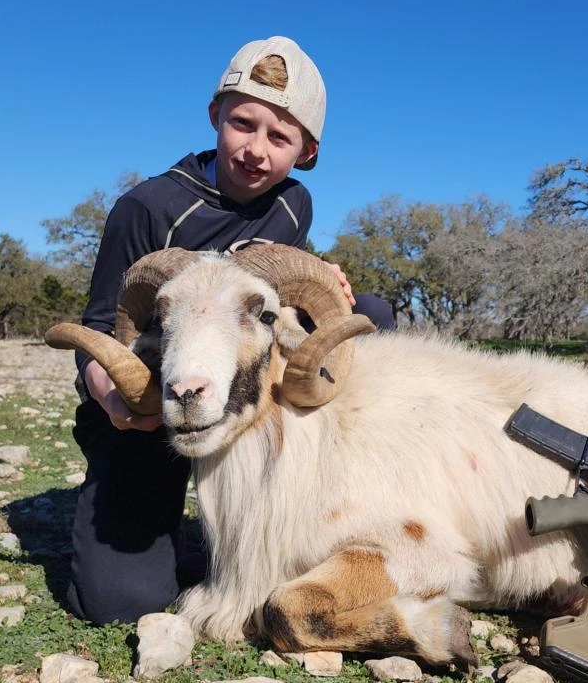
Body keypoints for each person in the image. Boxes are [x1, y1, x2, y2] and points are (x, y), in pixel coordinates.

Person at [66, 36, 394, 626]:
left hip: (239, 406)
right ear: (216, 114)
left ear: (308, 151)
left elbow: (268, 307)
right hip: (148, 413)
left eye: (280, 138)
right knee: (119, 603)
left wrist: (323, 287)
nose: (256, 150)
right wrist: (114, 396)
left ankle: (351, 494)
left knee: (374, 312)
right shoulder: (147, 208)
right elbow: (102, 327)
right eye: (244, 123)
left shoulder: (295, 204)